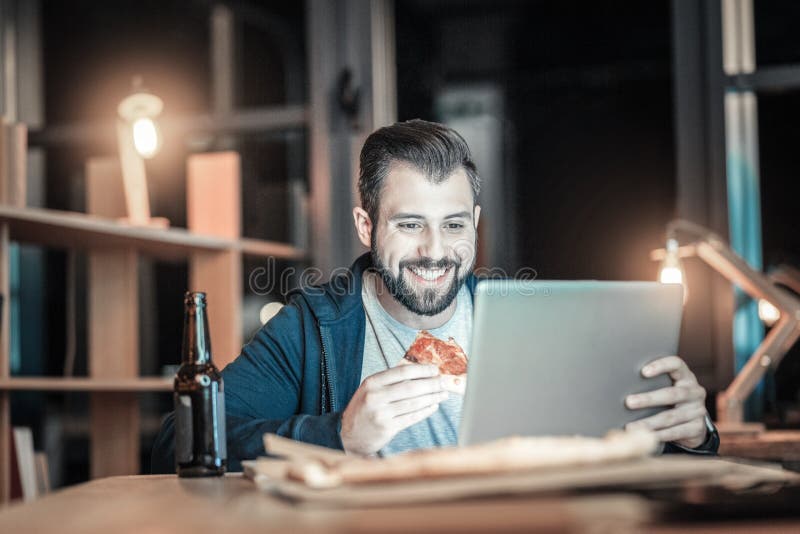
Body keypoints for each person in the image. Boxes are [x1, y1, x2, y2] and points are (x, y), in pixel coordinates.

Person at [151, 119, 717, 473]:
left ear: (475, 223)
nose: (434, 250)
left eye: (452, 225)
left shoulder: (534, 316)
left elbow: (611, 448)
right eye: (409, 225)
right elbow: (183, 439)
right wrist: (337, 436)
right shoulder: (314, 325)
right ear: (366, 227)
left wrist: (691, 435)